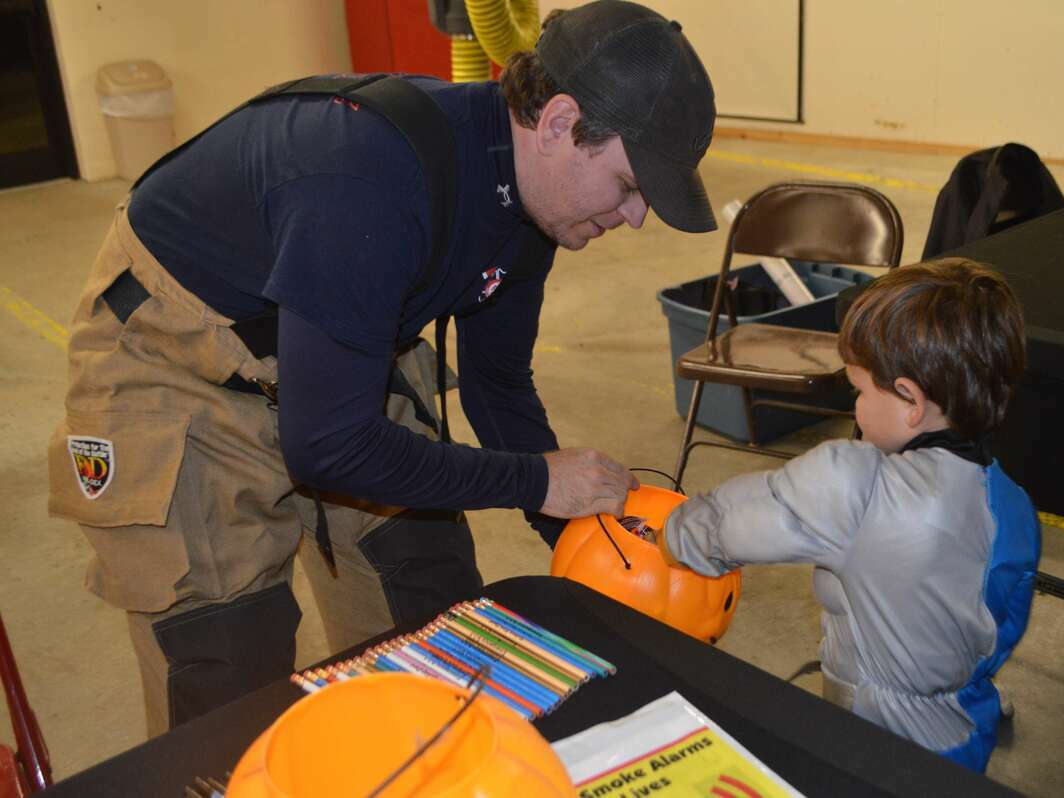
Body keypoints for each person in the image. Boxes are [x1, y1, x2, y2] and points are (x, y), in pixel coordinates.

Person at [47, 0, 717, 736]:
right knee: (229, 688)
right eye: (628, 185)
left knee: (440, 619)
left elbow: (497, 386)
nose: (635, 219)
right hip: (178, 367)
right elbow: (328, 445)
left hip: (339, 353)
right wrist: (535, 480)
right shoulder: (370, 178)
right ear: (558, 124)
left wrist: (584, 537)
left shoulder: (532, 207)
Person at [656, 258, 1041, 773]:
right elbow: (1003, 618)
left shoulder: (858, 489)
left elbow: (739, 520)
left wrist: (669, 533)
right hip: (960, 732)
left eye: (860, 389)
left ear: (910, 400)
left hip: (875, 742)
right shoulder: (1011, 502)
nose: (856, 405)